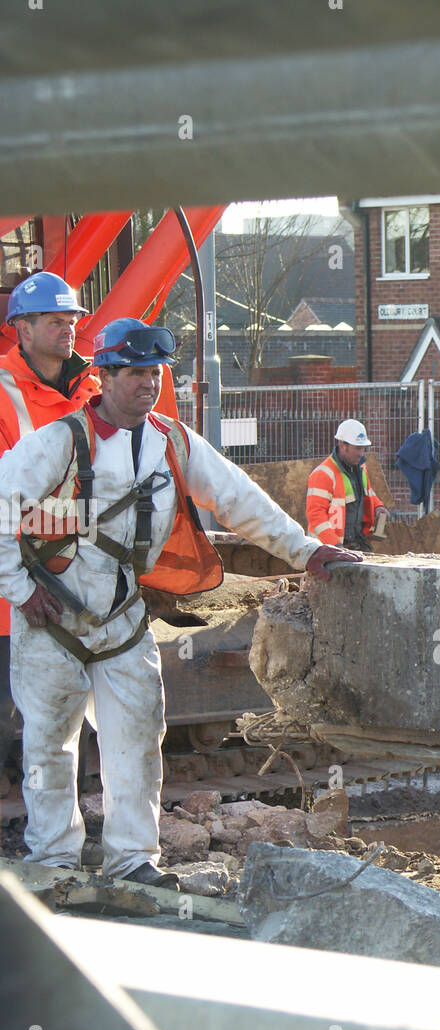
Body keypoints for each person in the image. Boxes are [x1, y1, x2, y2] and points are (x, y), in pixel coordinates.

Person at [0, 317, 361, 889]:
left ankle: (133, 861)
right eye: (137, 373)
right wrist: (19, 588)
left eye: (155, 372)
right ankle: (53, 865)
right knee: (49, 748)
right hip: (54, 624)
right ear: (106, 376)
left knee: (139, 741)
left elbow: (240, 498)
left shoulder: (171, 442)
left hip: (122, 622)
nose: (149, 383)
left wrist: (308, 551)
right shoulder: (58, 442)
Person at [0, 272, 100, 772]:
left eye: (72, 319)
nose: (69, 328)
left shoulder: (95, 390)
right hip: (16, 588)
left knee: (70, 713)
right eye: (55, 320)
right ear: (22, 329)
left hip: (85, 581)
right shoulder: (2, 392)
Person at [306, 418, 389, 552]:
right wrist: (335, 546)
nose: (361, 453)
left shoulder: (360, 467)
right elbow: (316, 516)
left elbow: (368, 492)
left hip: (356, 542)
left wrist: (378, 506)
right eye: (357, 448)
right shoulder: (323, 474)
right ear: (343, 446)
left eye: (363, 448)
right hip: (326, 549)